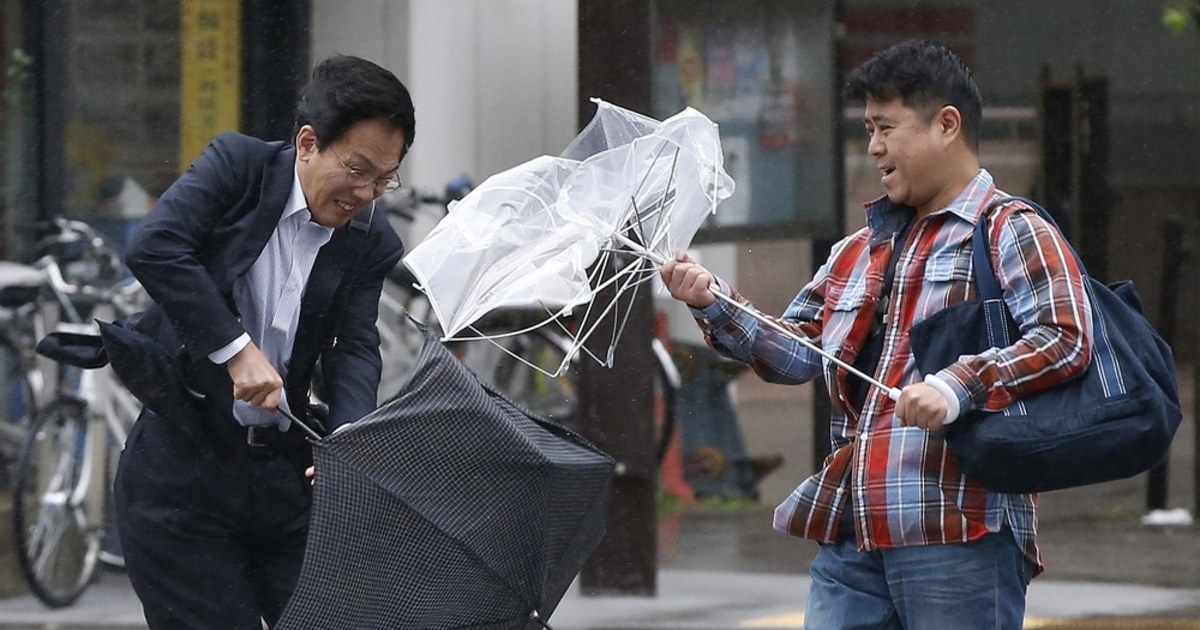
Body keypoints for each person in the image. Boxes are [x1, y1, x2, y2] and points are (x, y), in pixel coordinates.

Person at [660, 40, 1093, 628]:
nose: (874, 147)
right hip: (851, 530)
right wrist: (712, 301)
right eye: (868, 128)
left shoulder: (1011, 231)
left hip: (958, 530)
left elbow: (1065, 337)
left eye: (886, 127)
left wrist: (956, 386)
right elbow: (796, 354)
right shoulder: (859, 250)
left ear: (946, 125)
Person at [111, 55, 414, 629]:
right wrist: (235, 350)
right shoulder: (237, 168)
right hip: (183, 475)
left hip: (282, 475)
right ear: (307, 143)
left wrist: (348, 440)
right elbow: (156, 247)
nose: (366, 191)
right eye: (357, 168)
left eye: (384, 177)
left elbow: (353, 347)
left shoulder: (371, 241)